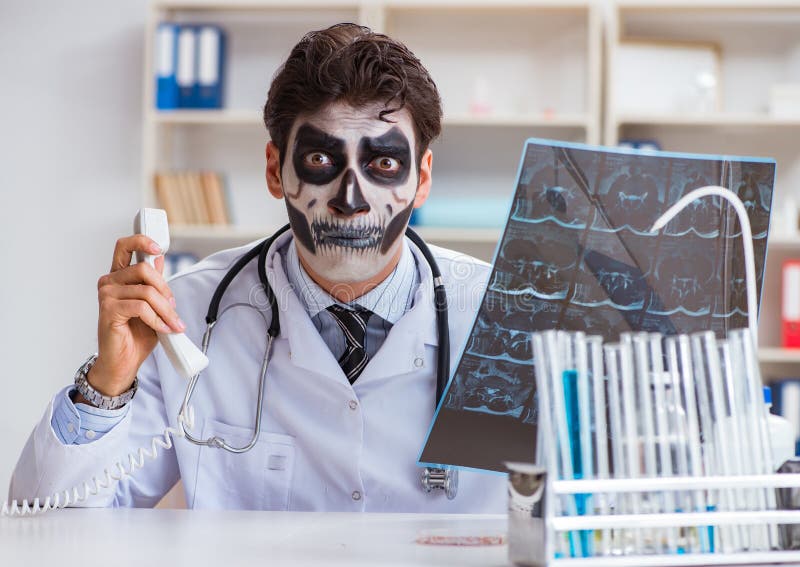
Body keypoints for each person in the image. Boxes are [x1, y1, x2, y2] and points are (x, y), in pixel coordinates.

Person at [9, 23, 506, 512]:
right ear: (275, 170)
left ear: (421, 179)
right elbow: (46, 527)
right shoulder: (189, 315)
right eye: (319, 158)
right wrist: (106, 384)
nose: (350, 201)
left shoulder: (506, 315)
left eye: (383, 165)